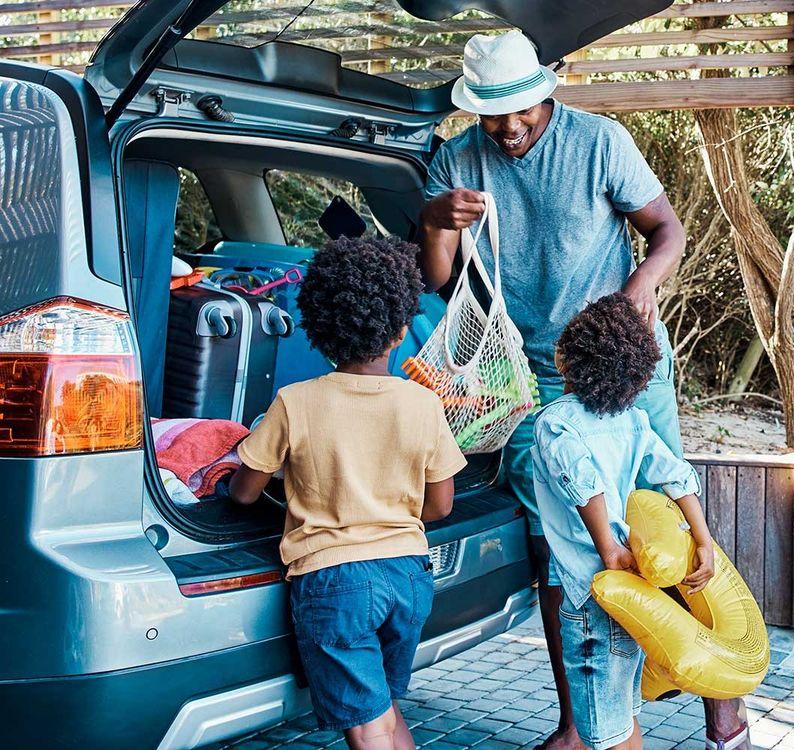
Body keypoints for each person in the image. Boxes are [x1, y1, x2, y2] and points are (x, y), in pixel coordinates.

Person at [417, 32, 749, 749]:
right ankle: (579, 723)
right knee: (561, 549)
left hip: (625, 361)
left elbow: (667, 231)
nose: (509, 127)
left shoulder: (599, 143)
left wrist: (639, 290)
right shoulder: (457, 160)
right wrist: (437, 221)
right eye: (492, 113)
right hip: (528, 374)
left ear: (545, 90)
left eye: (520, 110)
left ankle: (724, 710)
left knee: (668, 520)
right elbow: (441, 280)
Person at [228, 236, 467, 750]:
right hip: (408, 577)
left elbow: (244, 492)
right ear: (401, 329)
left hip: (335, 582)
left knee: (367, 726)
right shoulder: (424, 404)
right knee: (382, 707)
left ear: (320, 330)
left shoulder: (294, 402)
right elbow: (441, 504)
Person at [530, 293, 718, 750]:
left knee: (606, 731)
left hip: (593, 595)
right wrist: (704, 540)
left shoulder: (556, 422)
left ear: (564, 358)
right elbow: (675, 475)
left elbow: (583, 482)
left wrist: (608, 549)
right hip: (635, 589)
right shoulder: (633, 421)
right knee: (623, 716)